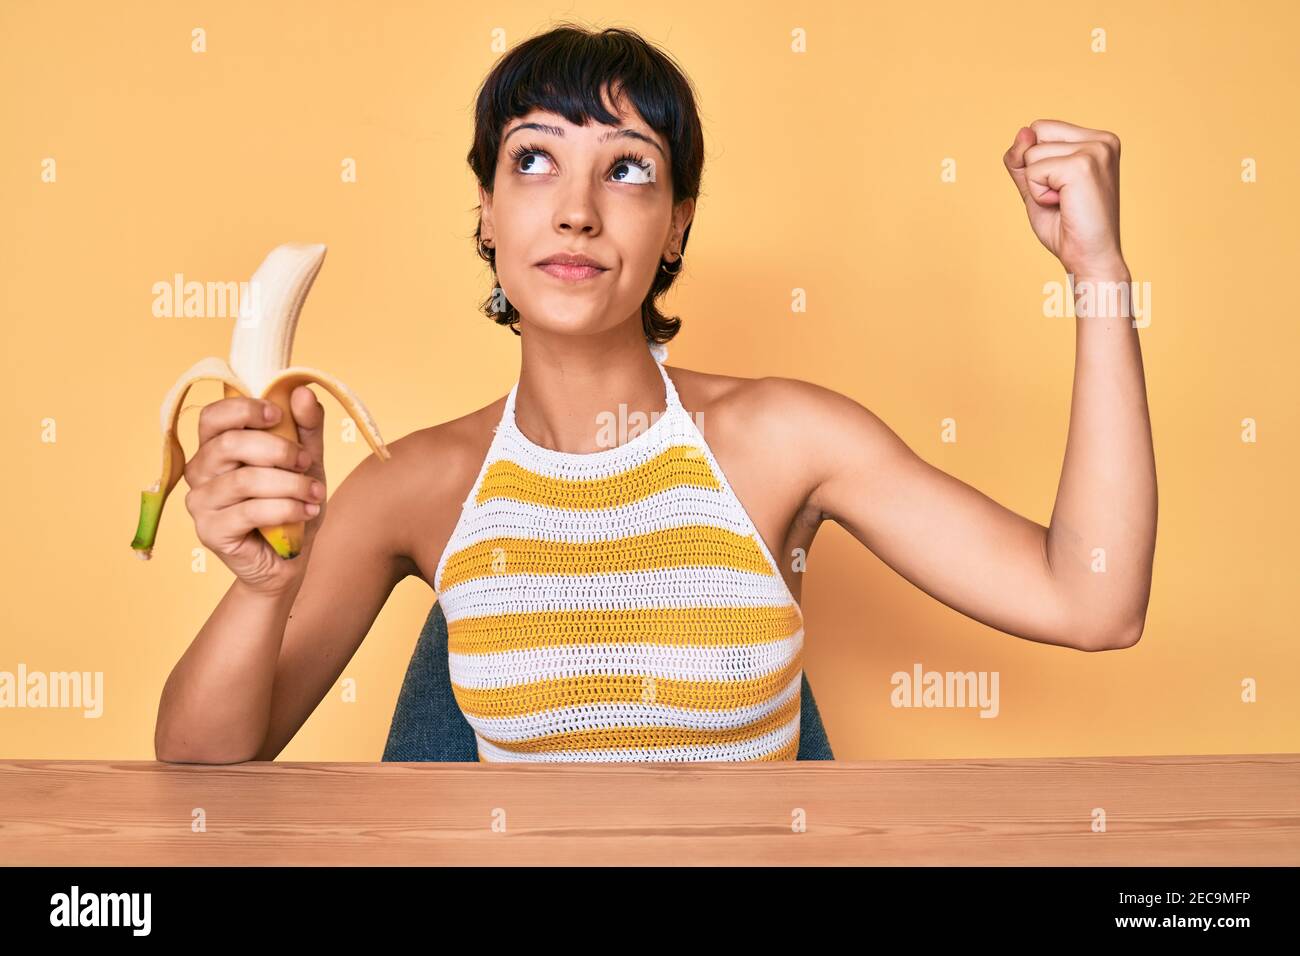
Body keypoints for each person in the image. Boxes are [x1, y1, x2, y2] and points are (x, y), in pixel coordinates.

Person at [155, 24, 1156, 764]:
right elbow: (201, 773)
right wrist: (261, 586)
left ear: (675, 226)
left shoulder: (782, 439)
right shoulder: (413, 483)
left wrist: (1097, 271)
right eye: (534, 160)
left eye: (626, 170)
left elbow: (1092, 598)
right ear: (488, 218)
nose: (578, 211)